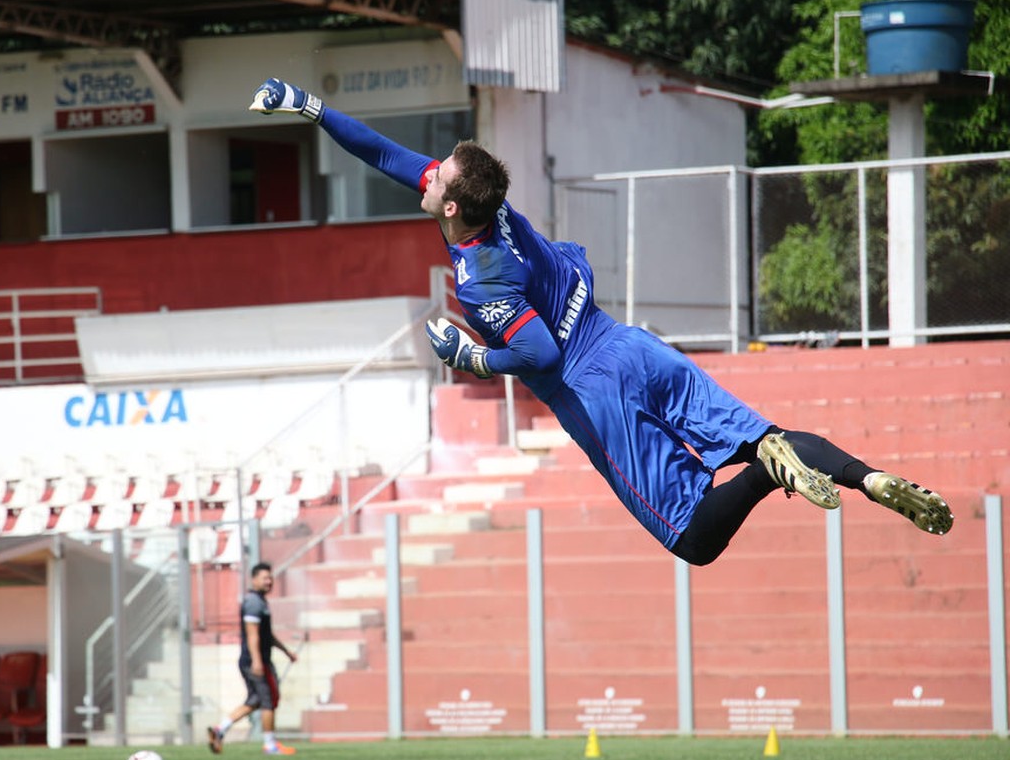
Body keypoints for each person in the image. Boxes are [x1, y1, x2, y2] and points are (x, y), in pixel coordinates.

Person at [247, 78, 954, 566]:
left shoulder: (477, 272)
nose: (423, 175)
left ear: (455, 207)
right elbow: (387, 155)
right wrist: (311, 109)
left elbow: (536, 350)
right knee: (762, 433)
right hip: (630, 342)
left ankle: (768, 477)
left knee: (693, 538)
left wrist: (470, 360)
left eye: (436, 177)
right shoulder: (491, 209)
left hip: (595, 384)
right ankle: (868, 479)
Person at [207, 562, 298, 755]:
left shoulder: (261, 601)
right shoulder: (253, 603)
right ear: (254, 579)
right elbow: (252, 634)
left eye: (270, 578)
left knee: (255, 700)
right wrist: (257, 660)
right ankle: (270, 744)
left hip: (257, 659)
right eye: (265, 578)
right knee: (268, 700)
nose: (269, 581)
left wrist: (286, 651)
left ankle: (220, 729)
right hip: (255, 661)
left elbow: (266, 635)